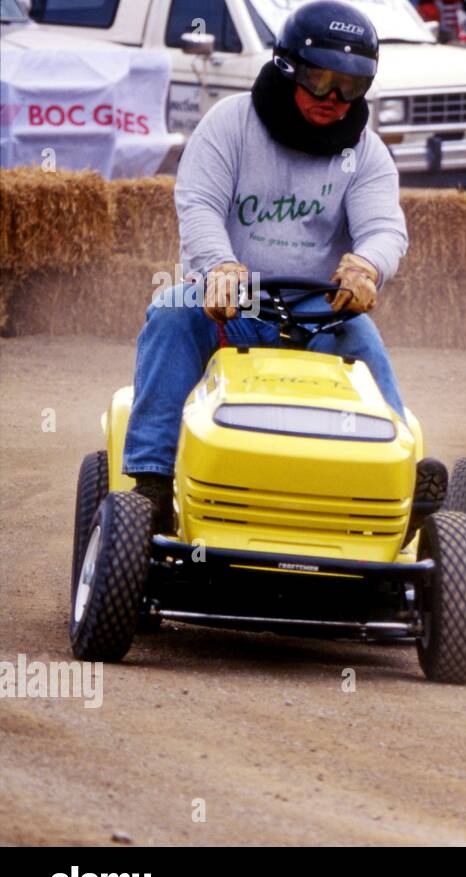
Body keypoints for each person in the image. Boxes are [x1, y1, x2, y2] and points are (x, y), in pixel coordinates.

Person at [123, 1, 409, 530]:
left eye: (349, 86)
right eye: (319, 79)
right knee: (171, 313)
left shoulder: (365, 153)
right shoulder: (229, 123)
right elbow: (200, 205)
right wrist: (219, 266)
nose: (332, 98)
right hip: (225, 302)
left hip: (316, 309)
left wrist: (367, 266)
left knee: (362, 338)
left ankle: (400, 481)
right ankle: (153, 483)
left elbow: (385, 228)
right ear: (286, 68)